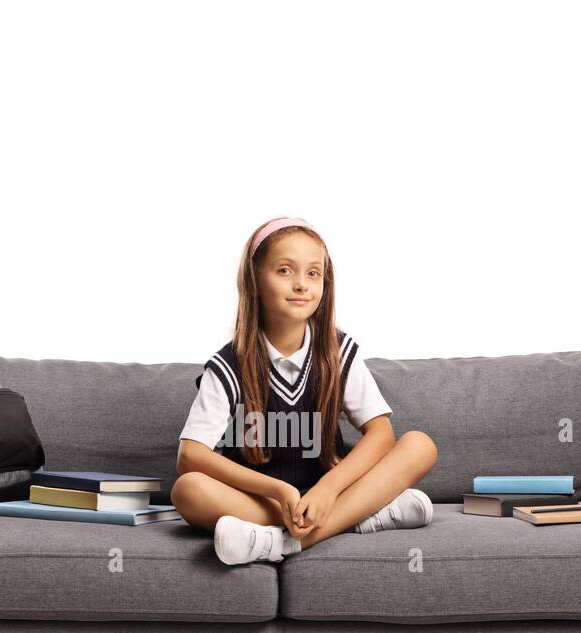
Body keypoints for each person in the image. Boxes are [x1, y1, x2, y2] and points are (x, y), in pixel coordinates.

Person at [172, 215, 438, 565]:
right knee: (187, 490)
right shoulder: (227, 366)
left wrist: (328, 490)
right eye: (284, 270)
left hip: (329, 493)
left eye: (313, 273)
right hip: (263, 501)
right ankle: (361, 517)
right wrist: (278, 491)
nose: (301, 284)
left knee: (419, 445)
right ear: (254, 279)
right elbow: (190, 456)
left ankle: (283, 543)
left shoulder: (338, 352)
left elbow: (382, 434)